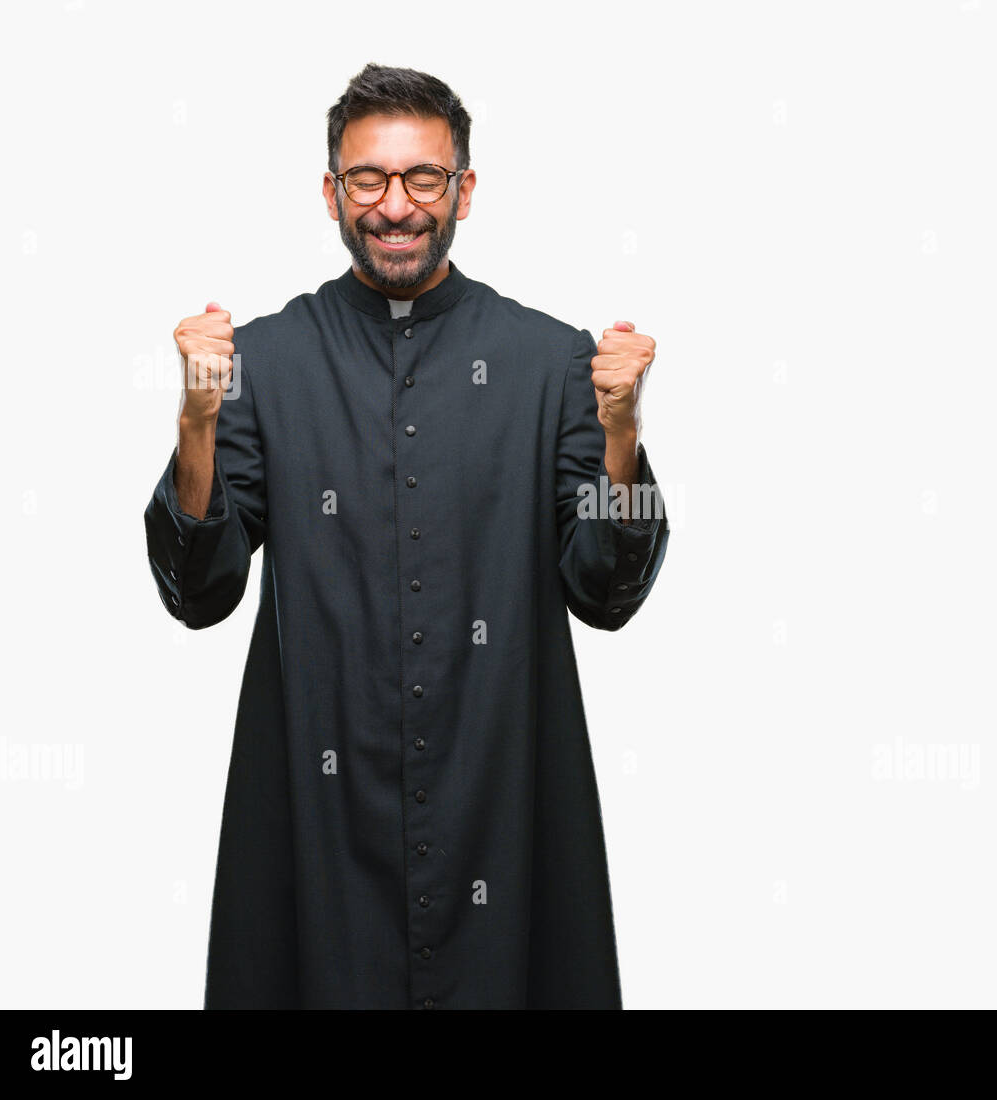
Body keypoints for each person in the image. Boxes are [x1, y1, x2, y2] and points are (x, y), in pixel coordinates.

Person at [143, 63, 670, 1009]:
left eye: (423, 178)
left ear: (465, 188)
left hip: (500, 804)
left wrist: (623, 434)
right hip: (319, 812)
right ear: (330, 192)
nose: (396, 207)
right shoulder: (265, 360)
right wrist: (195, 426)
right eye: (368, 181)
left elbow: (608, 593)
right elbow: (199, 592)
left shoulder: (553, 362)